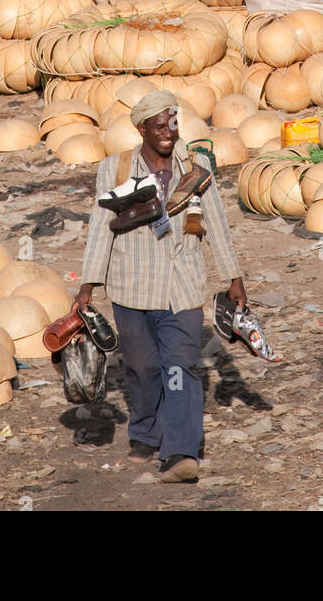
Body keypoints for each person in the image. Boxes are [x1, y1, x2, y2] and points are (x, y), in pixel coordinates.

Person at [74, 91, 246, 484]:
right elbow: (101, 230)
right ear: (141, 129)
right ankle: (145, 432)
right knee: (142, 367)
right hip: (131, 286)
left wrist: (233, 277)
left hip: (182, 285)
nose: (168, 132)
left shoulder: (196, 166)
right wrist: (87, 288)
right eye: (159, 125)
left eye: (173, 123)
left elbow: (216, 220)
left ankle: (181, 452)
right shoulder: (115, 169)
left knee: (181, 366)